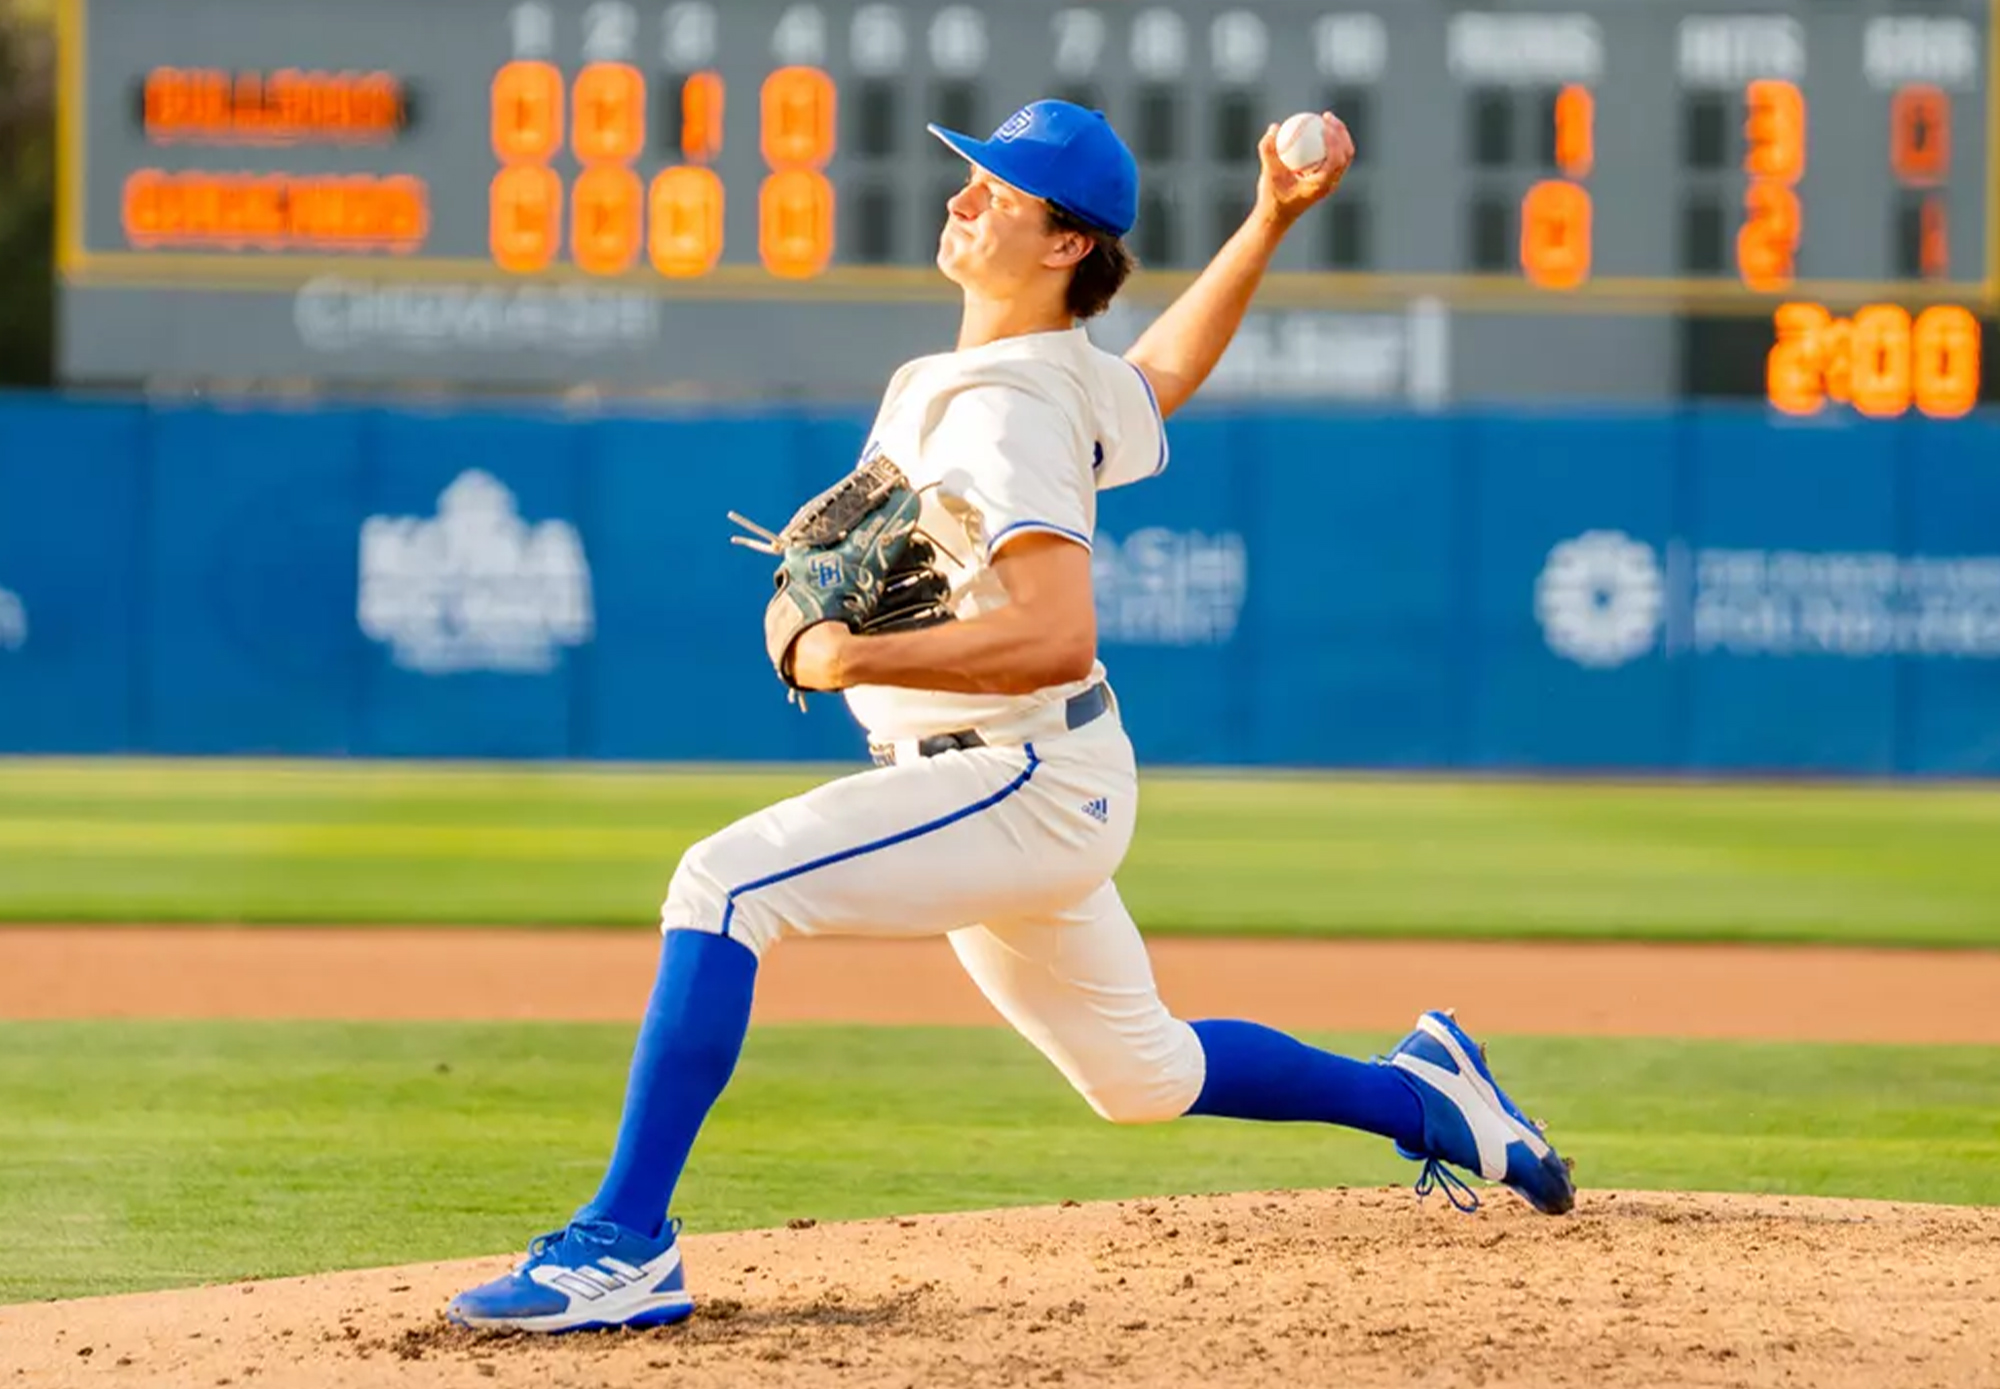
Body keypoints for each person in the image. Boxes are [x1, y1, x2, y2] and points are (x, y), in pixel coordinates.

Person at [447, 98, 1574, 1336]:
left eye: (997, 189)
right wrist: (1265, 219)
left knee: (722, 886)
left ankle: (623, 1244)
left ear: (1062, 248)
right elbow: (1161, 378)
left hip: (1014, 776)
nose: (961, 198)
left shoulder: (1004, 408)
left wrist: (834, 653)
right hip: (1035, 775)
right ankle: (1429, 1099)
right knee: (1140, 1076)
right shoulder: (1037, 377)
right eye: (968, 176)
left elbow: (1053, 634)